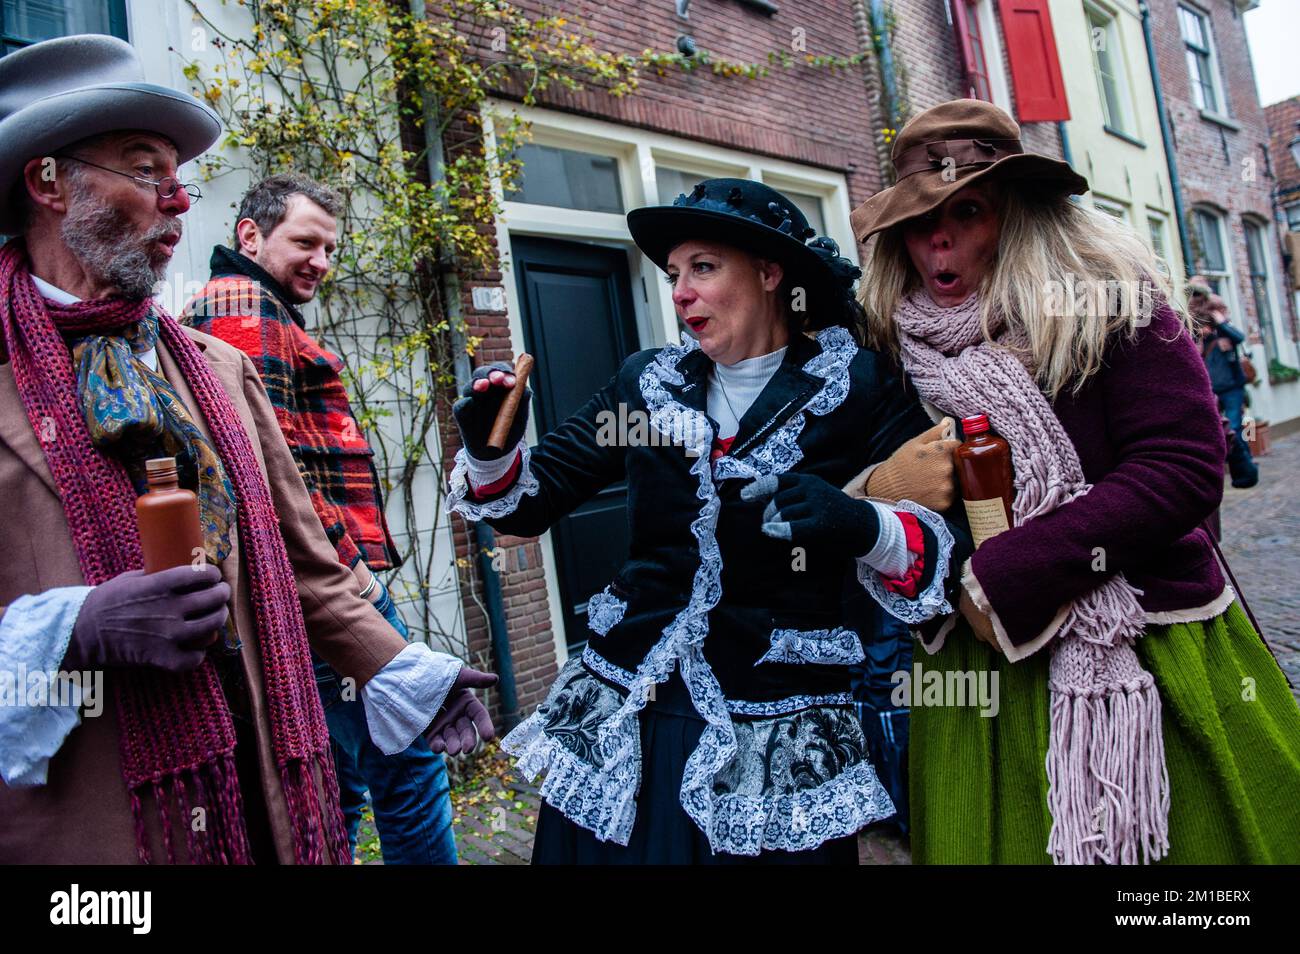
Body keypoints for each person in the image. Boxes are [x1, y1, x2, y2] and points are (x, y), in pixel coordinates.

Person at [0, 34, 495, 864]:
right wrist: (73, 628)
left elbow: (304, 565)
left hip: (260, 788)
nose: (179, 200)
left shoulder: (218, 371)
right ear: (48, 181)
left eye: (179, 175)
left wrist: (401, 669)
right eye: (144, 168)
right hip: (96, 830)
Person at [444, 177, 972, 863]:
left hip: (776, 720)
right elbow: (536, 497)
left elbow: (947, 551)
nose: (681, 292)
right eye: (672, 275)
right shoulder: (648, 382)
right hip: (631, 705)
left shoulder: (858, 386)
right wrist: (491, 451)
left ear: (769, 272)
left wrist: (859, 523)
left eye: (703, 268)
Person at [850, 98, 1300, 864]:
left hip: (1143, 634)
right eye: (919, 222)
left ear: (1020, 214)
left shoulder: (1114, 305)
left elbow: (1183, 469)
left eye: (967, 210)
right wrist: (875, 488)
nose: (938, 241)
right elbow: (848, 494)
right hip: (974, 663)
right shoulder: (892, 344)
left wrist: (1011, 573)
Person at [182, 173, 458, 864]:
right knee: (411, 752)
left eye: (330, 248)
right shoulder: (243, 304)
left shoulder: (251, 305)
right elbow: (272, 476)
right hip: (326, 579)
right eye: (305, 241)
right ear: (250, 235)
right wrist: (355, 581)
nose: (322, 262)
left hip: (303, 581)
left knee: (339, 777)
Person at [1188, 279, 1258, 488]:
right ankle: (1245, 471)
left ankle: (1245, 473)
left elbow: (1239, 338)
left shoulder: (1223, 328)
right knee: (1224, 430)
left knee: (1235, 428)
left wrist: (1219, 323)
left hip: (1232, 386)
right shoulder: (1197, 329)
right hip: (1210, 387)